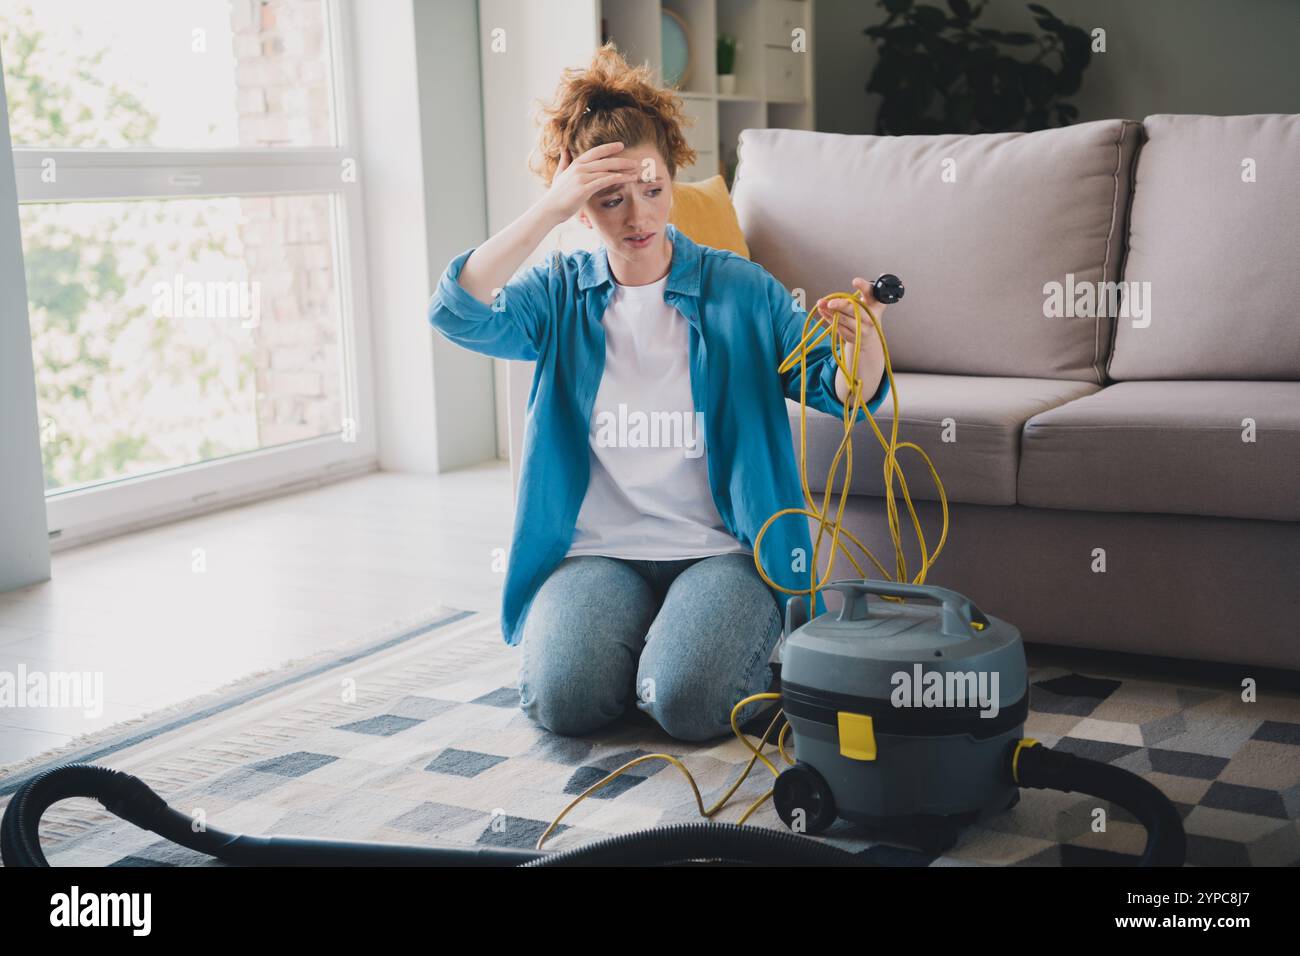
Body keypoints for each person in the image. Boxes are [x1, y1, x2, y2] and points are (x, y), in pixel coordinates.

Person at [428, 43, 890, 742]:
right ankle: (642, 635)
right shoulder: (559, 293)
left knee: (691, 705)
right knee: (566, 703)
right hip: (596, 556)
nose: (638, 215)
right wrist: (547, 209)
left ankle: (700, 643)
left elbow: (845, 391)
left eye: (652, 189)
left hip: (720, 554)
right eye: (609, 200)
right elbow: (457, 312)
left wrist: (868, 342)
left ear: (673, 178)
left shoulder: (739, 288)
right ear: (583, 210)